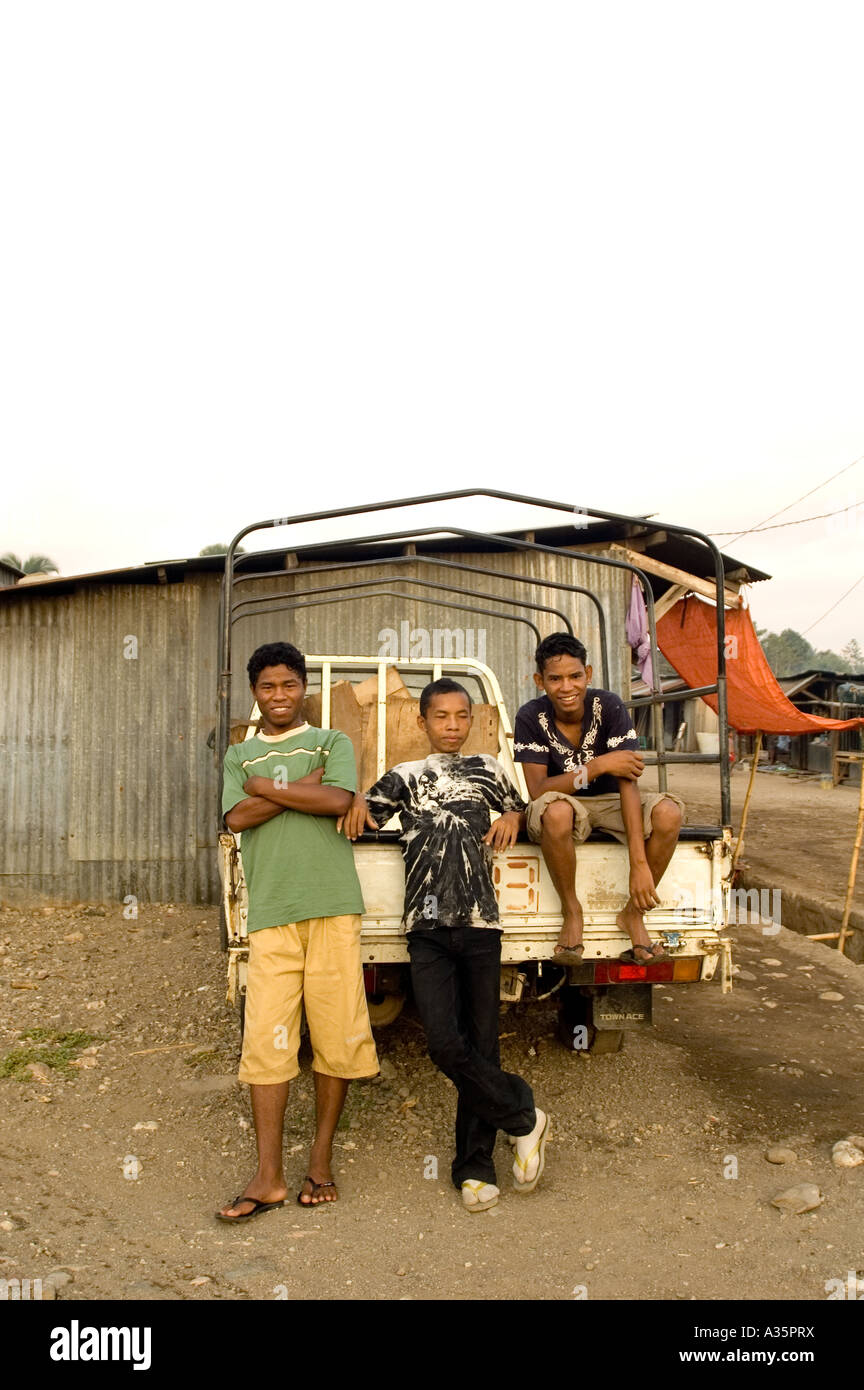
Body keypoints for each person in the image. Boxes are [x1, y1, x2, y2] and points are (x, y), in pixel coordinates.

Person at [340, 677, 550, 1212]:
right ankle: (525, 1117)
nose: (452, 726)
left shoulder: (491, 771)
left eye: (461, 716)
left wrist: (513, 815)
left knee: (483, 1045)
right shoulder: (405, 777)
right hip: (426, 929)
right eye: (441, 717)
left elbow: (525, 811)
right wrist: (341, 801)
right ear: (423, 722)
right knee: (443, 1043)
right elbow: (363, 816)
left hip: (481, 925)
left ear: (473, 720)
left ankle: (475, 1170)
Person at [216, 642, 378, 1221]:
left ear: (303, 687)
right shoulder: (241, 753)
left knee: (336, 1035)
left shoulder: (333, 742)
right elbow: (235, 819)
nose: (279, 697)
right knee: (267, 1042)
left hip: (332, 906)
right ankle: (269, 1176)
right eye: (267, 687)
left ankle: (321, 1159)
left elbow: (337, 798)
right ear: (255, 692)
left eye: (288, 685)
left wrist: (267, 790)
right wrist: (291, 791)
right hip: (271, 912)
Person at [514, 633, 685, 965]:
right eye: (555, 678)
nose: (567, 687)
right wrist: (595, 767)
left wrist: (639, 864)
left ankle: (633, 915)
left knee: (668, 812)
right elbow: (539, 791)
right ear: (540, 681)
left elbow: (627, 783)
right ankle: (572, 912)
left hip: (612, 801)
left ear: (587, 674)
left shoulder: (608, 706)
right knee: (557, 813)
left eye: (575, 676)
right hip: (563, 803)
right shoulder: (531, 716)